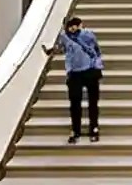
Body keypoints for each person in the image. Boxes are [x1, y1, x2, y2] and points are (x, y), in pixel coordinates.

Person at [42, 15, 104, 143]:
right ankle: (76, 130)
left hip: (90, 71)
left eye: (74, 25)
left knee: (93, 102)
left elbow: (97, 51)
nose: (72, 28)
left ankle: (94, 128)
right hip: (74, 73)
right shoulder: (64, 37)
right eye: (69, 26)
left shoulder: (88, 35)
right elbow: (61, 49)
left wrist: (97, 67)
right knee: (75, 103)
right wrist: (50, 51)